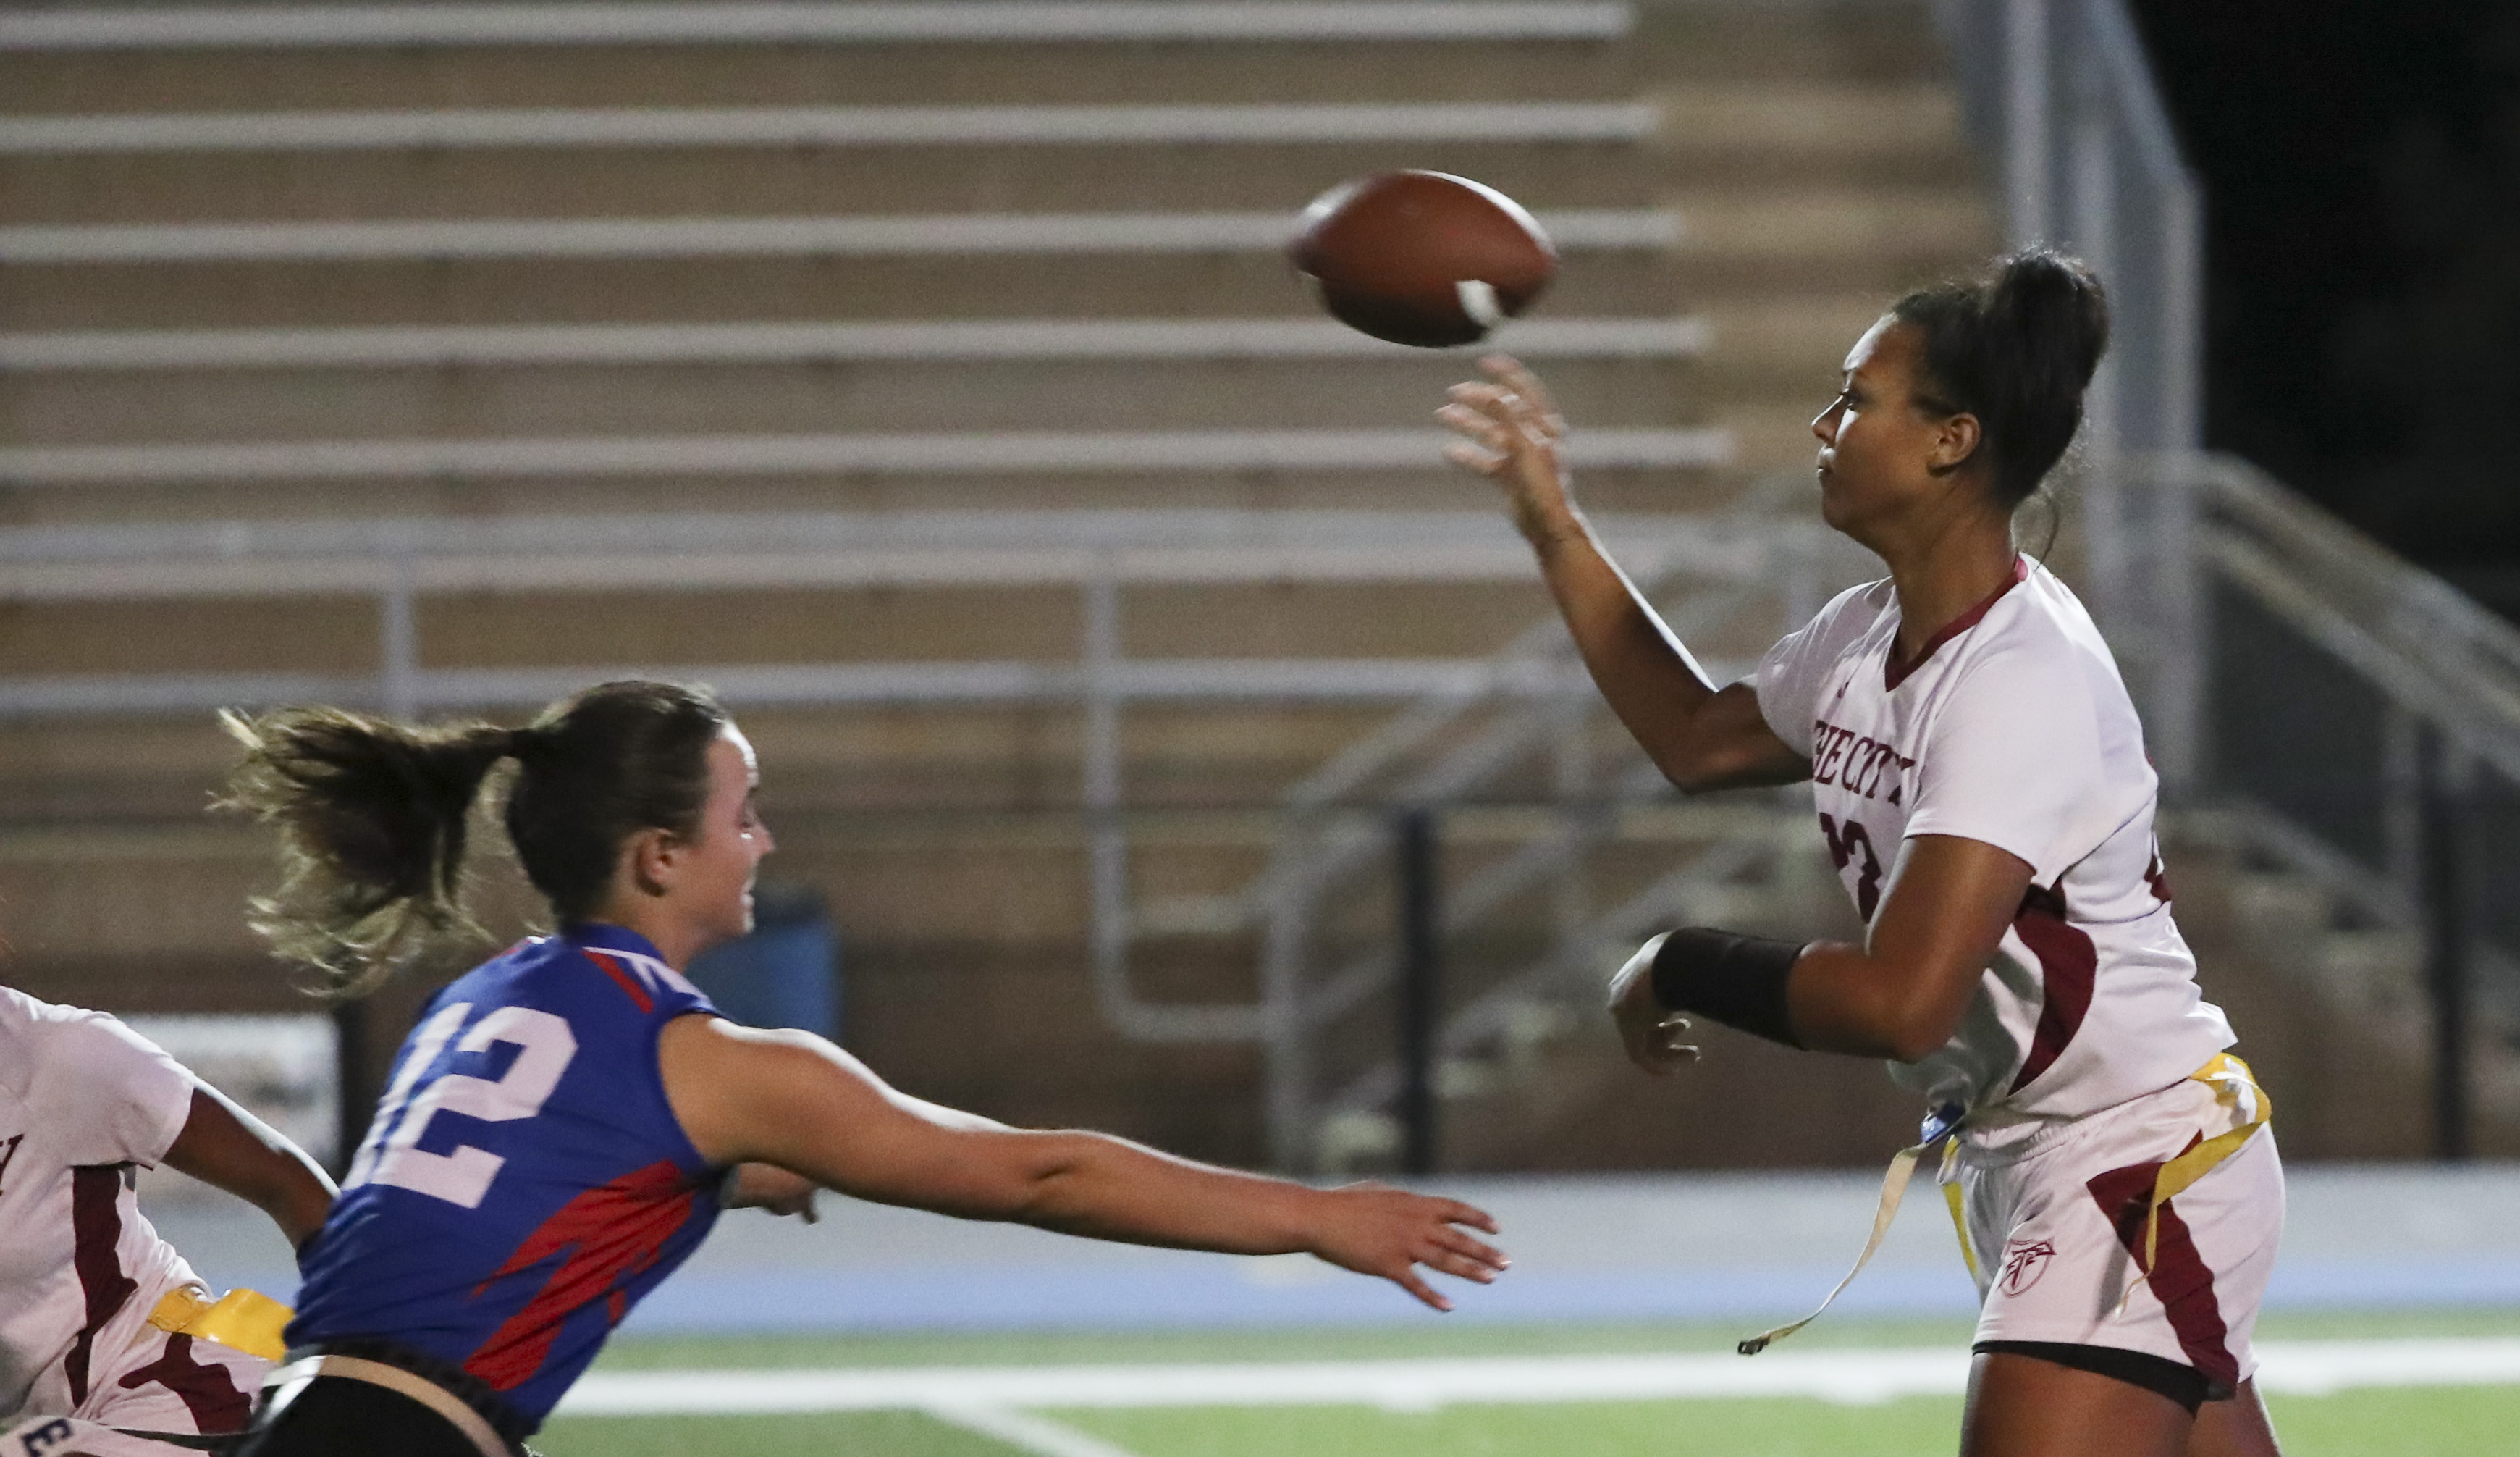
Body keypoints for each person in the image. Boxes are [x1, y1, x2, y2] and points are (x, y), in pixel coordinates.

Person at [1438, 249, 2283, 1457]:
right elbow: (1693, 735)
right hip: (2048, 1149)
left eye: (1854, 399)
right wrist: (1552, 525)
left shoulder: (2018, 677)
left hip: (2131, 1159)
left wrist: (1680, 959)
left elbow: (1900, 1001)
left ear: (1951, 441)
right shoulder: (1867, 633)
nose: (1822, 424)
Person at [216, 680, 1506, 1457]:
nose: (764, 839)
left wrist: (711, 1176)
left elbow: (482, 1195)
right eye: (744, 810)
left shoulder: (480, 999)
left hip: (302, 1416)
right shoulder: (712, 1058)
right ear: (660, 854)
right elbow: (1039, 1174)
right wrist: (1315, 1218)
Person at [0, 983, 337, 1457]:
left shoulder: (60, 1055)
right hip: (54, 1425)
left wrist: (379, 1374)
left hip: (183, 1382)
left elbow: (290, 1184)